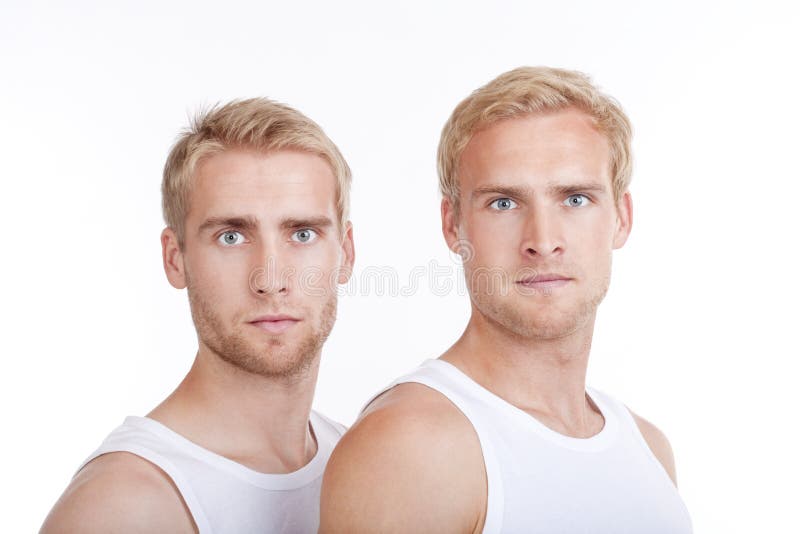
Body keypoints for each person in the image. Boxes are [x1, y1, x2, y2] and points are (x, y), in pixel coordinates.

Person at [320, 67, 692, 533]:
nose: (542, 240)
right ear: (453, 225)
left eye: (575, 199)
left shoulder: (649, 447)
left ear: (621, 217)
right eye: (504, 203)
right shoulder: (411, 447)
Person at [41, 98, 355, 533]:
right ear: (176, 259)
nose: (270, 279)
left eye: (302, 233)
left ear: (346, 254)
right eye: (231, 236)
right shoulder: (121, 506)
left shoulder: (359, 460)